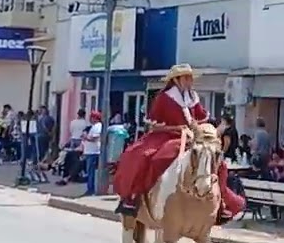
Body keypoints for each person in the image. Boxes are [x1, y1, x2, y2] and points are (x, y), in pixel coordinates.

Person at [110, 64, 246, 219]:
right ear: (176, 80)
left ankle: (220, 201)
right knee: (148, 156)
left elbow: (200, 119)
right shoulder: (163, 98)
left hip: (192, 138)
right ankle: (135, 196)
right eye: (186, 78)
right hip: (166, 136)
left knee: (217, 163)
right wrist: (177, 127)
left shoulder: (193, 98)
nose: (190, 81)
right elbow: (154, 126)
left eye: (190, 78)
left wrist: (203, 129)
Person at [82, 111, 103, 196]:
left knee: (91, 172)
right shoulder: (93, 126)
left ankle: (91, 189)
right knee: (89, 171)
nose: (90, 119)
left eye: (92, 117)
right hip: (90, 151)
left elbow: (94, 138)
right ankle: (90, 188)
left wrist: (85, 137)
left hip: (93, 152)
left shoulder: (98, 126)